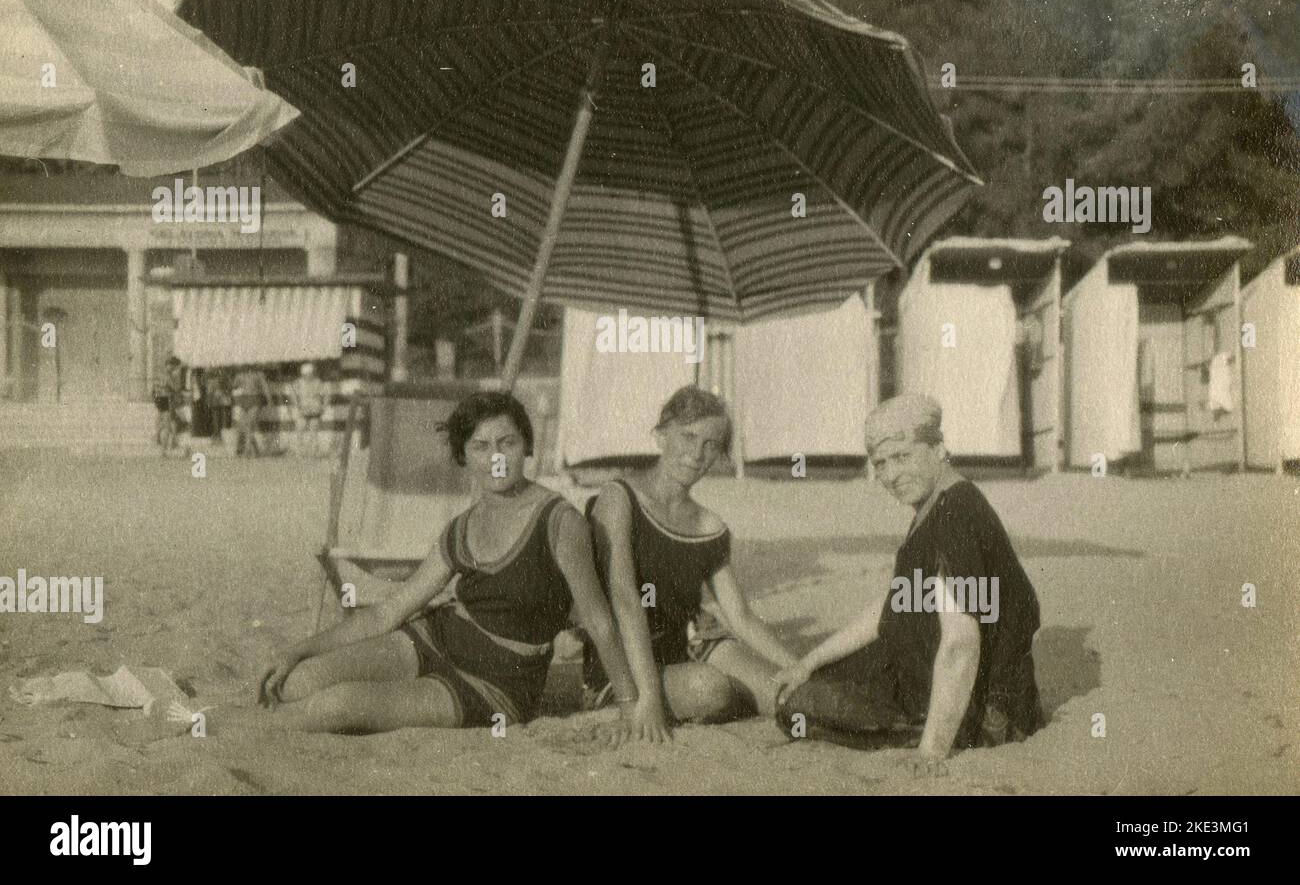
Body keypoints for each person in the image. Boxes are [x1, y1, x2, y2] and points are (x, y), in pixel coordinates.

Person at [243, 391, 641, 735]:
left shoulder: (558, 521)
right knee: (300, 681)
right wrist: (296, 650)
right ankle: (237, 718)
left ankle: (227, 724)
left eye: (508, 443)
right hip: (436, 638)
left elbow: (599, 620)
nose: (496, 459)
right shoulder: (462, 528)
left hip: (496, 683)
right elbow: (388, 612)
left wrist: (630, 706)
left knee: (339, 705)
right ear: (463, 457)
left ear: (528, 447)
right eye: (480, 447)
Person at [773, 393, 1044, 773]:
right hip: (937, 677)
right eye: (880, 463)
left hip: (986, 712)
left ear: (938, 448)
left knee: (796, 707)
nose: (890, 475)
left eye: (902, 457)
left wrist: (932, 751)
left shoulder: (955, 516)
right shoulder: (938, 504)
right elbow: (894, 604)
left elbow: (961, 644)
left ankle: (920, 731)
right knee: (813, 681)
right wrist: (808, 661)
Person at [582, 385, 799, 742]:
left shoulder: (709, 525)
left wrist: (801, 667)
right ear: (661, 435)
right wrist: (647, 695)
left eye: (710, 444)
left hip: (686, 651)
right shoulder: (619, 498)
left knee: (788, 694)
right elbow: (624, 598)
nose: (696, 453)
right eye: (688, 436)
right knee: (710, 689)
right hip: (619, 667)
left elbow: (740, 617)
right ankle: (697, 696)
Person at [231, 366, 273, 457]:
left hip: (254, 399)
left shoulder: (258, 374)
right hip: (244, 400)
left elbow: (265, 388)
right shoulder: (240, 375)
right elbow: (234, 386)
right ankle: (255, 450)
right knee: (244, 426)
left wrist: (269, 401)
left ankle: (247, 450)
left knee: (249, 425)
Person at [291, 362, 326, 457]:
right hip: (303, 408)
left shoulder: (318, 382)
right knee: (300, 429)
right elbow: (293, 395)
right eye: (306, 374)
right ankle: (299, 452)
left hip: (315, 409)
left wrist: (323, 407)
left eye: (310, 374)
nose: (308, 376)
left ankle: (313, 452)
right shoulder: (298, 383)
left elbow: (324, 395)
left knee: (313, 431)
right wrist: (297, 405)